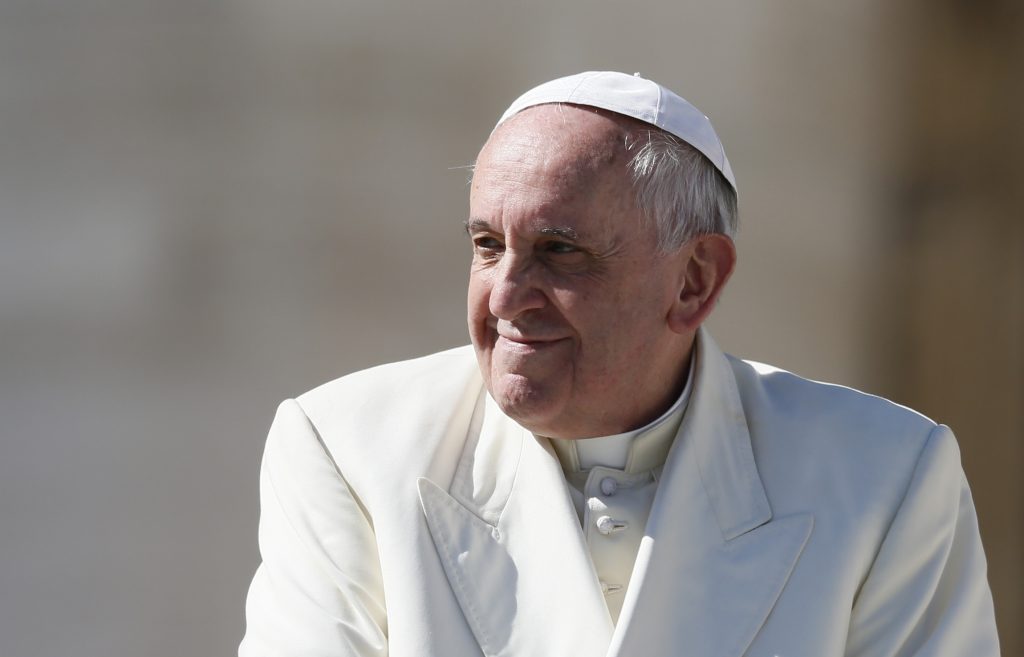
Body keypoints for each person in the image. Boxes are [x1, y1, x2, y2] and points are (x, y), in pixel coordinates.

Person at [238, 71, 1000, 657]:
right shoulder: (347, 447)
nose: (506, 295)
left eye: (559, 250)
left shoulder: (884, 475)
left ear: (694, 279)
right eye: (486, 245)